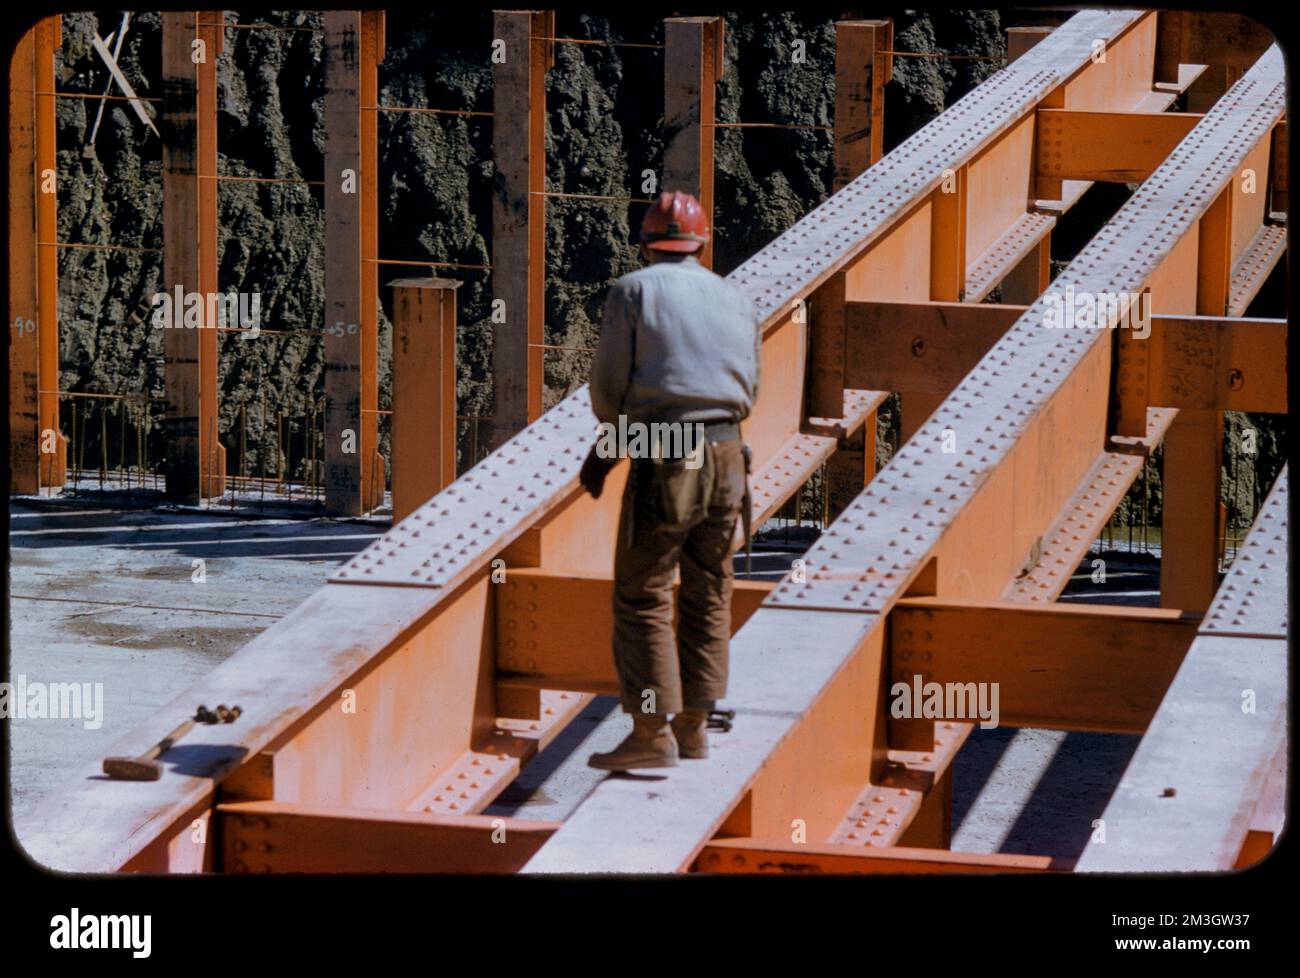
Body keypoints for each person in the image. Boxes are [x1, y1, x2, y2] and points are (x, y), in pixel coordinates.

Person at [579, 190, 760, 771]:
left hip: (669, 448)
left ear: (647, 242)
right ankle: (695, 727)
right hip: (730, 449)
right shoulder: (734, 297)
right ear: (701, 242)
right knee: (710, 591)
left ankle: (652, 731)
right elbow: (749, 388)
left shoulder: (633, 291)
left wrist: (609, 446)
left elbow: (611, 393)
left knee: (645, 593)